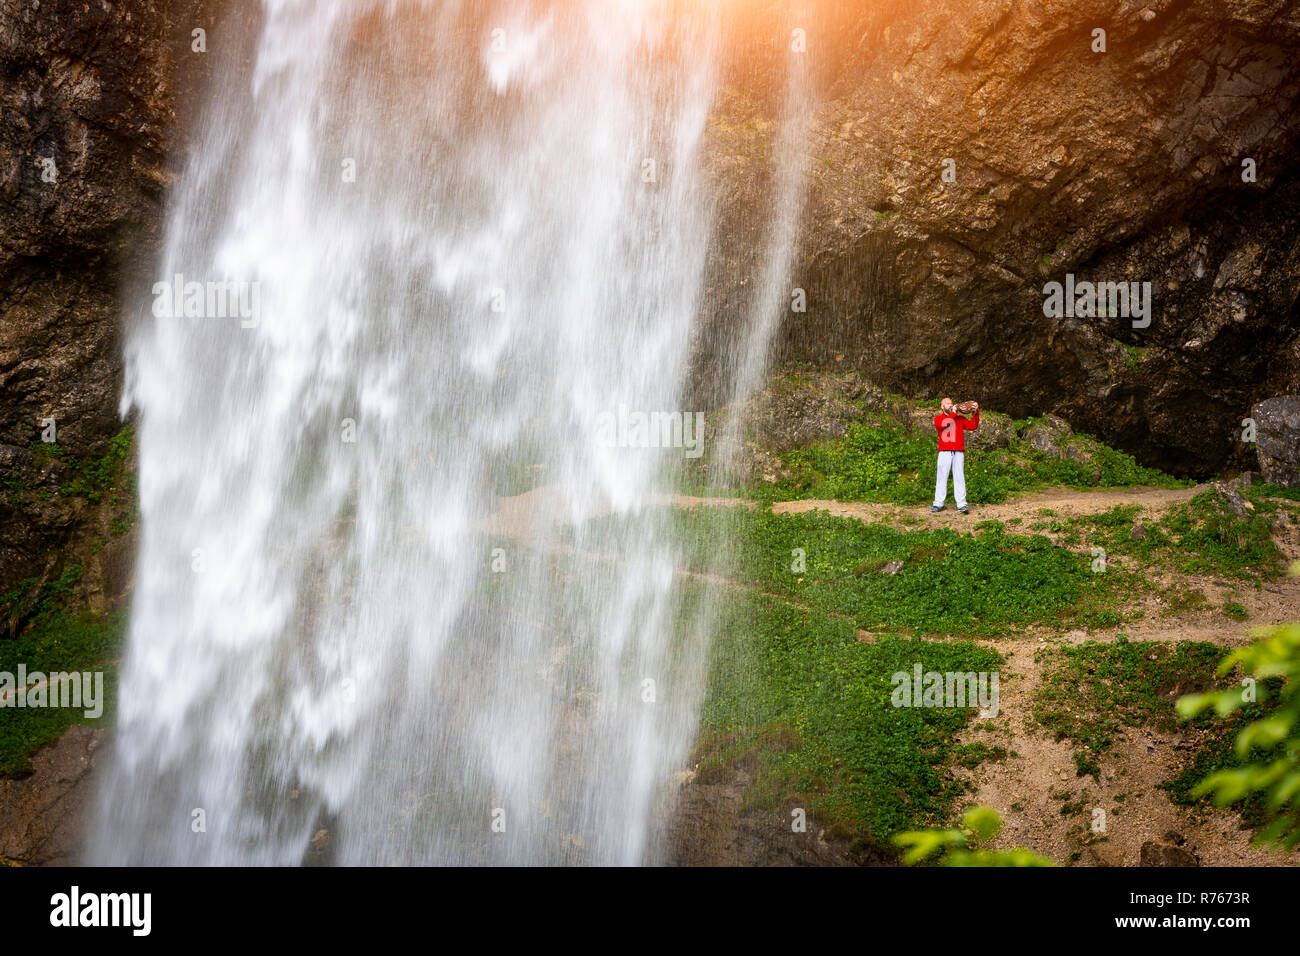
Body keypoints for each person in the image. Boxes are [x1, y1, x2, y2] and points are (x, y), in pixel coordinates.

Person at [933, 397, 979, 514]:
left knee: (959, 477)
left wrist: (975, 412)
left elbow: (973, 426)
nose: (950, 405)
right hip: (944, 451)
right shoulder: (939, 418)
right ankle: (938, 504)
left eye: (951, 403)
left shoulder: (959, 419)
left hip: (958, 451)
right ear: (942, 407)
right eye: (947, 403)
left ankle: (962, 504)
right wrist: (953, 413)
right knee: (941, 477)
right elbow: (944, 424)